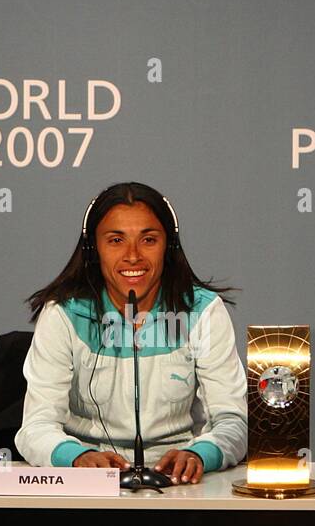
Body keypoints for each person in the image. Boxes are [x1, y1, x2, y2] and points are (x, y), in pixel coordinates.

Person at [16, 182, 248, 483]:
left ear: (169, 246)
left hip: (181, 485)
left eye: (148, 240)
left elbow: (233, 421)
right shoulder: (63, 313)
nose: (133, 256)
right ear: (93, 249)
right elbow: (36, 426)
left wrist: (200, 454)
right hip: (86, 484)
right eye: (115, 240)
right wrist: (76, 457)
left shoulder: (202, 310)